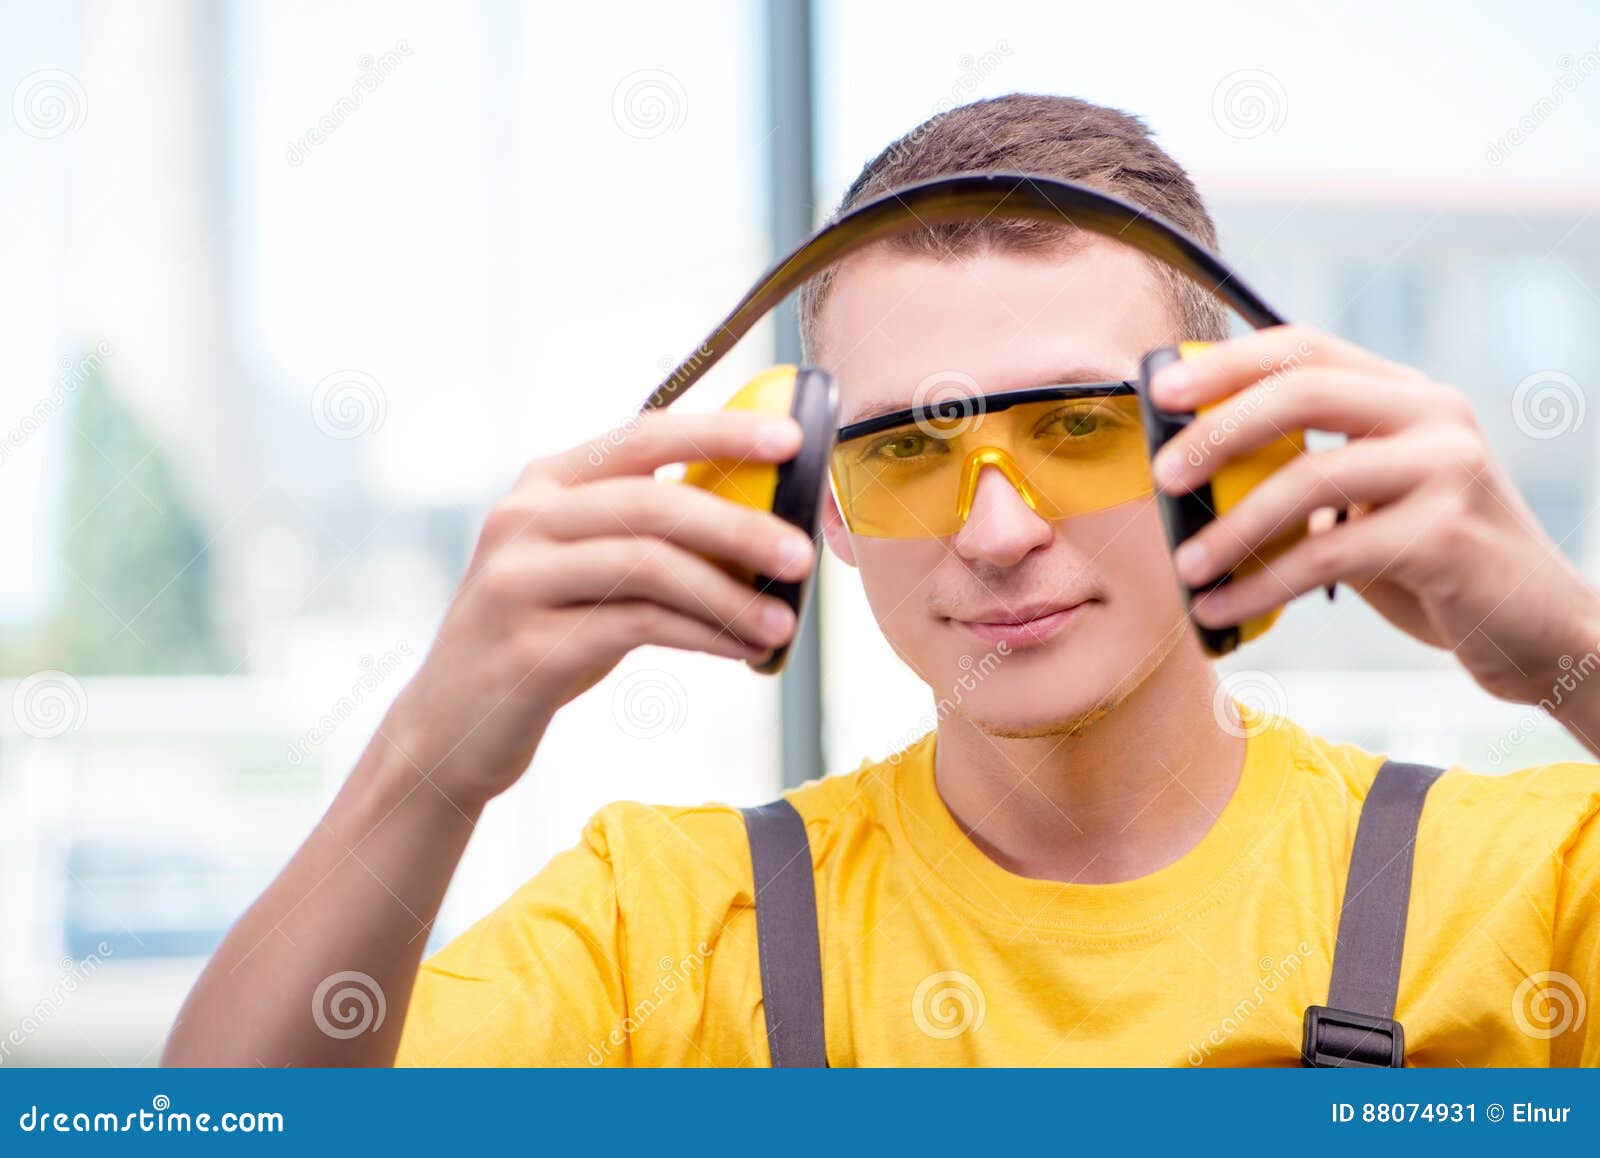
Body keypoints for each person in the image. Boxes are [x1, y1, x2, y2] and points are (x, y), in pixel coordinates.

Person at [162, 94, 1600, 1068]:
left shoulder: (1526, 889)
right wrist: (432, 754)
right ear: (821, 499)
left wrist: (1563, 641)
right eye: (908, 448)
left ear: (1221, 452)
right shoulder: (664, 930)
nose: (994, 527)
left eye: (1079, 428)